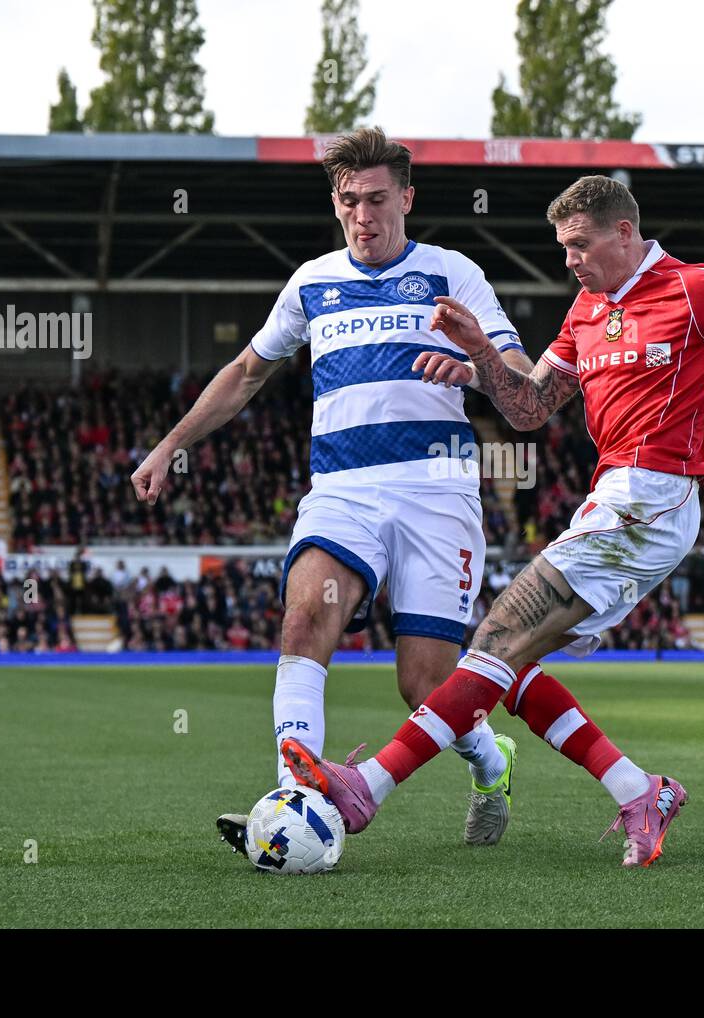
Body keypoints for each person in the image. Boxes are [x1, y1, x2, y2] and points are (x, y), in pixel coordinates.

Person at [280, 174, 704, 867]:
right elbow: (529, 408)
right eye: (564, 249)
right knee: (508, 661)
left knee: (498, 634)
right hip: (615, 494)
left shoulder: (695, 287)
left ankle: (367, 787)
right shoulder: (586, 311)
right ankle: (640, 790)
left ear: (624, 232)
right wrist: (476, 356)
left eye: (579, 245)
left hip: (654, 494)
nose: (570, 261)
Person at [130, 127, 532, 854]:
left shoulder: (452, 272)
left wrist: (474, 368)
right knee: (301, 623)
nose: (363, 215)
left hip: (437, 496)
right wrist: (171, 444)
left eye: (377, 199)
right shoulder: (312, 282)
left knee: (426, 687)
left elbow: (521, 375)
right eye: (349, 201)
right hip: (343, 491)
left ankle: (490, 761)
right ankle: (295, 792)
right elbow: (247, 373)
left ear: (407, 198)